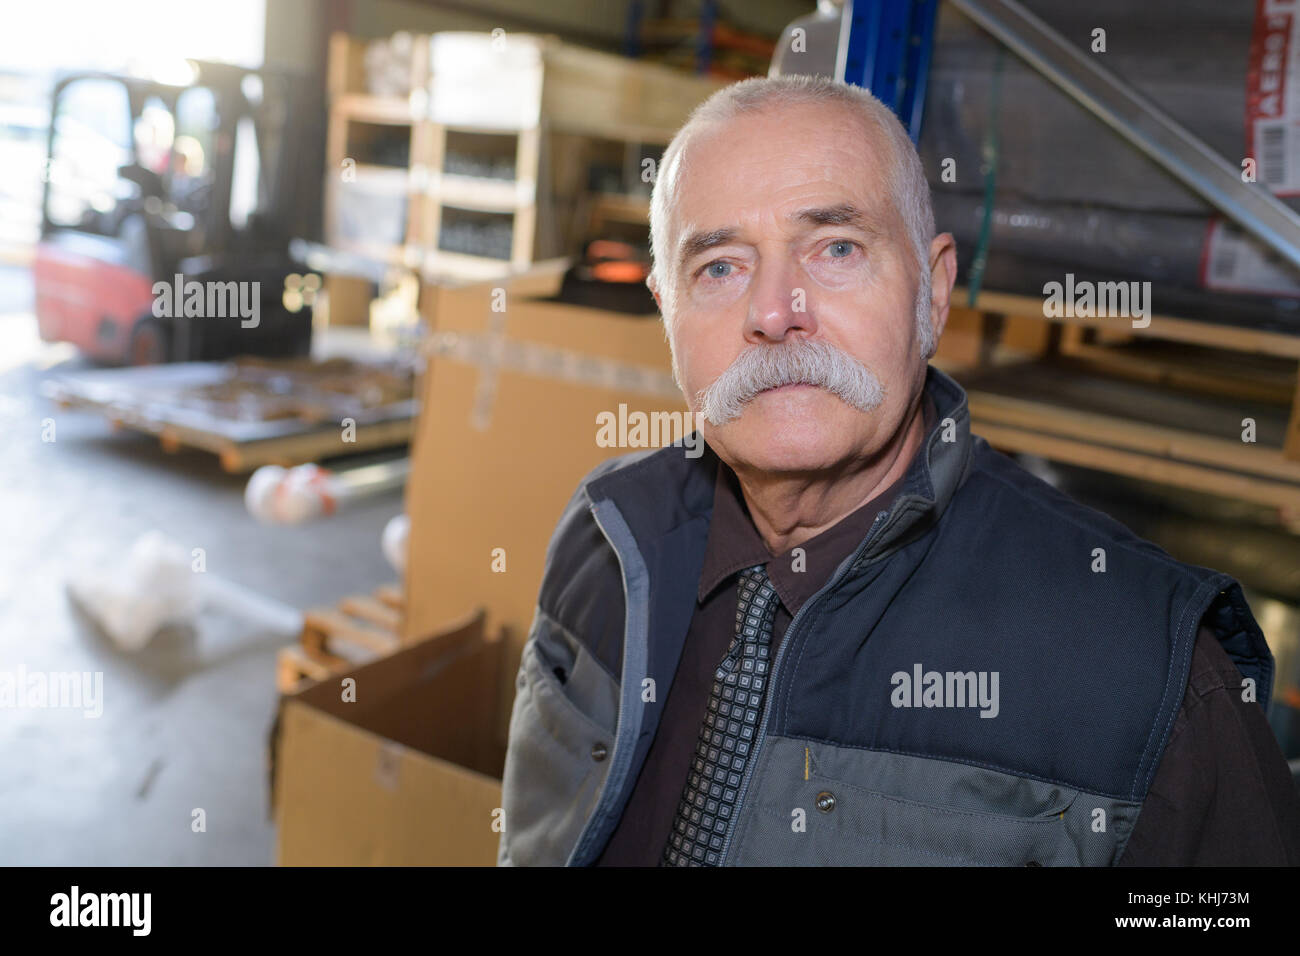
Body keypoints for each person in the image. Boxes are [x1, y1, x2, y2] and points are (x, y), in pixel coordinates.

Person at [496, 75, 1300, 866]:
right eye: (720, 267)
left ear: (935, 291)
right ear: (667, 309)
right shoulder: (602, 538)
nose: (775, 312)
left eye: (837, 248)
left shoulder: (1150, 672)